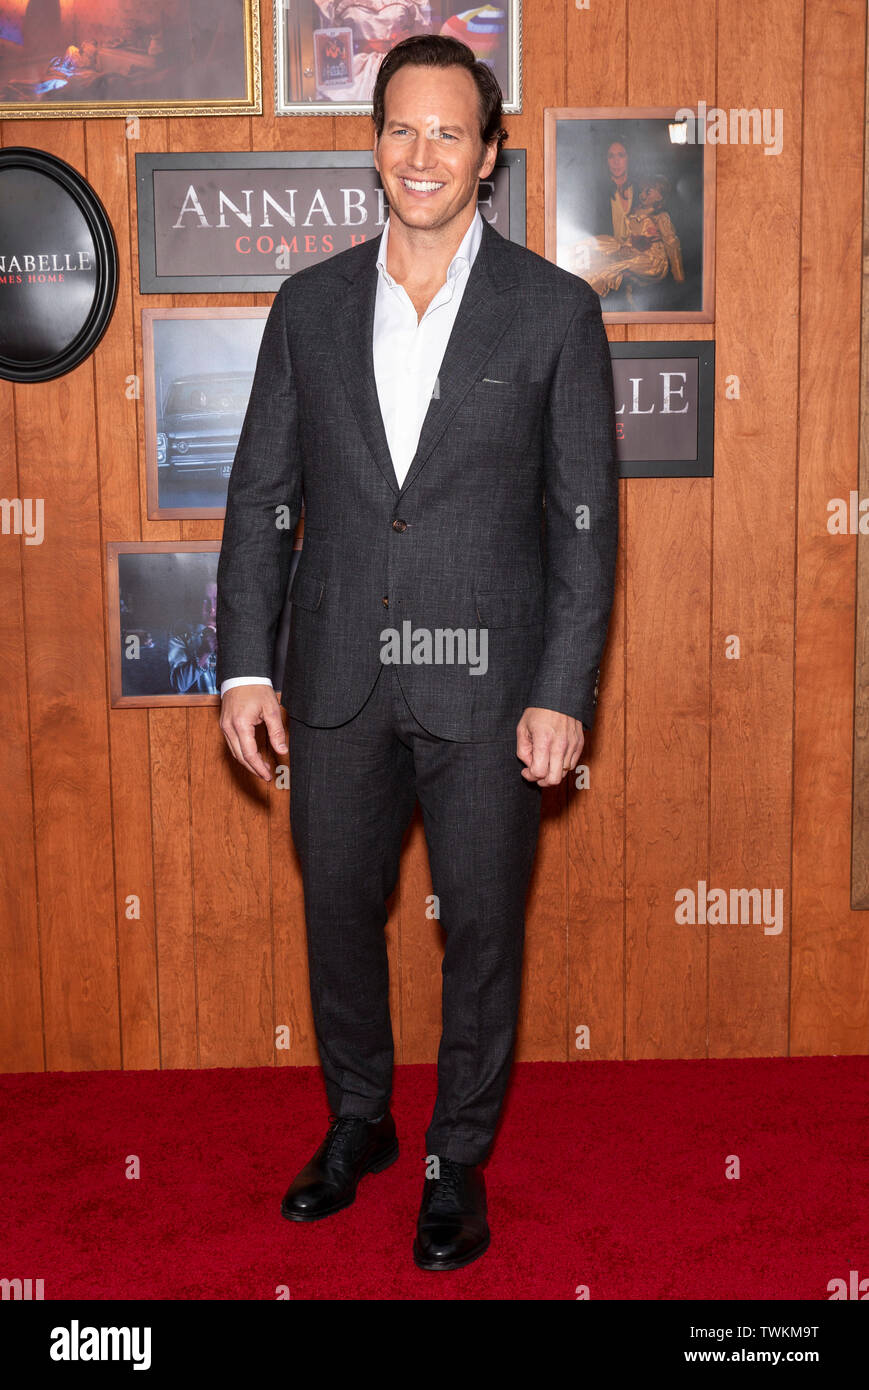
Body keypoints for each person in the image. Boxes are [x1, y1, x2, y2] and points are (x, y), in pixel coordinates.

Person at [216, 33, 618, 1272]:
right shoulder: (309, 304)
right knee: (339, 913)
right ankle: (357, 1122)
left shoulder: (555, 311)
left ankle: (454, 1159)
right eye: (401, 128)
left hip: (491, 690)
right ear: (373, 143)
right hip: (332, 679)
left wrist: (563, 691)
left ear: (488, 155)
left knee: (481, 929)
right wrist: (242, 664)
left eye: (450, 132)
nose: (422, 153)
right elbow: (256, 498)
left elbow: (583, 524)